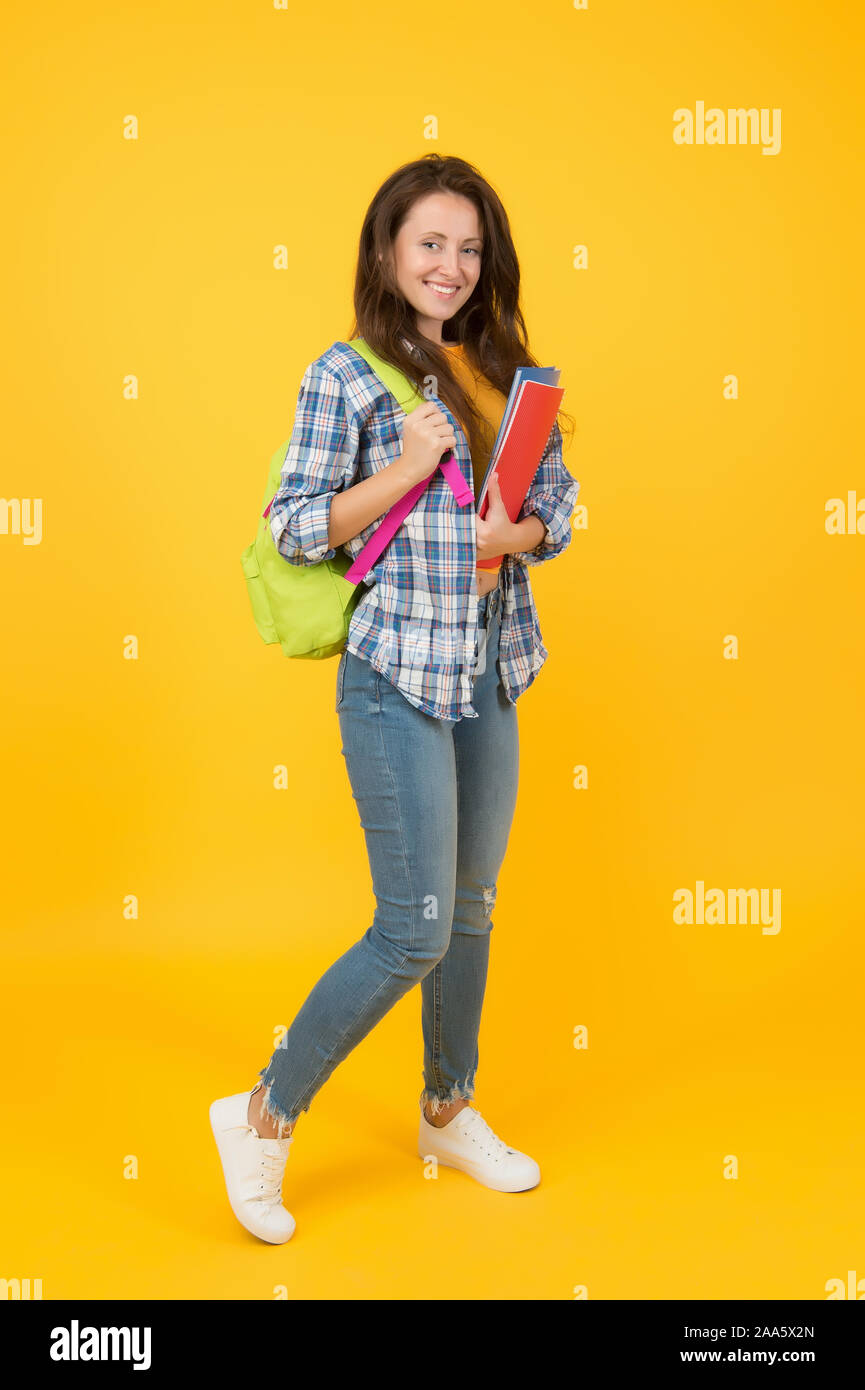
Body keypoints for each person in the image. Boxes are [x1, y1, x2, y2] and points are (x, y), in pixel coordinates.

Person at [210, 153, 580, 1244]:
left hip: (488, 668)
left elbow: (556, 507)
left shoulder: (509, 373)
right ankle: (263, 1111)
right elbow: (292, 524)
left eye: (469, 248)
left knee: (470, 907)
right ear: (386, 251)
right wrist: (409, 471)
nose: (451, 266)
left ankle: (446, 1107)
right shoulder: (347, 374)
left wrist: (511, 534)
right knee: (413, 925)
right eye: (430, 243)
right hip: (393, 679)